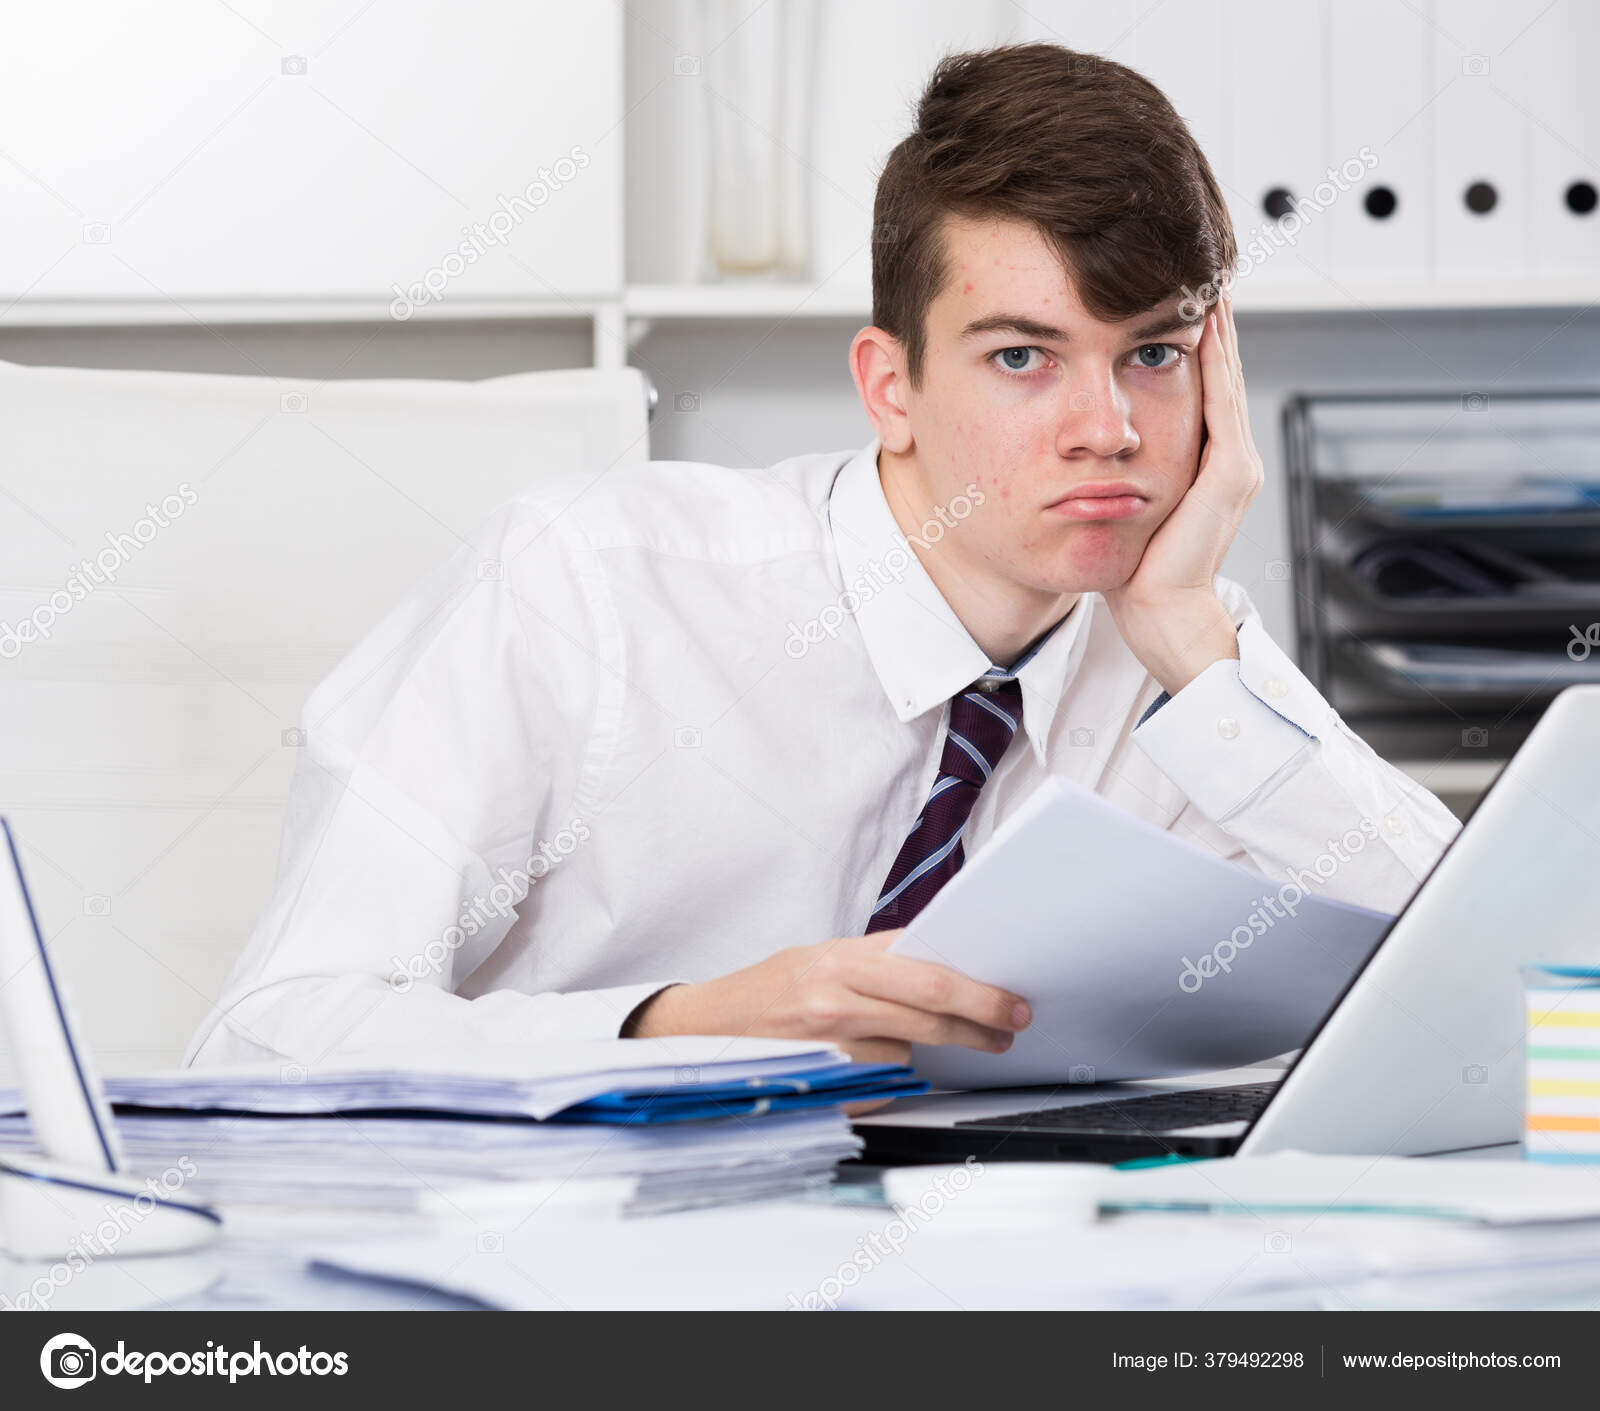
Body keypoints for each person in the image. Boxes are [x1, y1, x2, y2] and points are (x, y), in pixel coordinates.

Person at [186, 44, 1460, 1072]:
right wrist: (681, 1023)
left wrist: (1195, 646)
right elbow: (266, 1037)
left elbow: (1468, 983)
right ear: (889, 385)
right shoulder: (589, 585)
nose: (1109, 430)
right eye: (1022, 356)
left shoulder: (1184, 661)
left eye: (1153, 353)